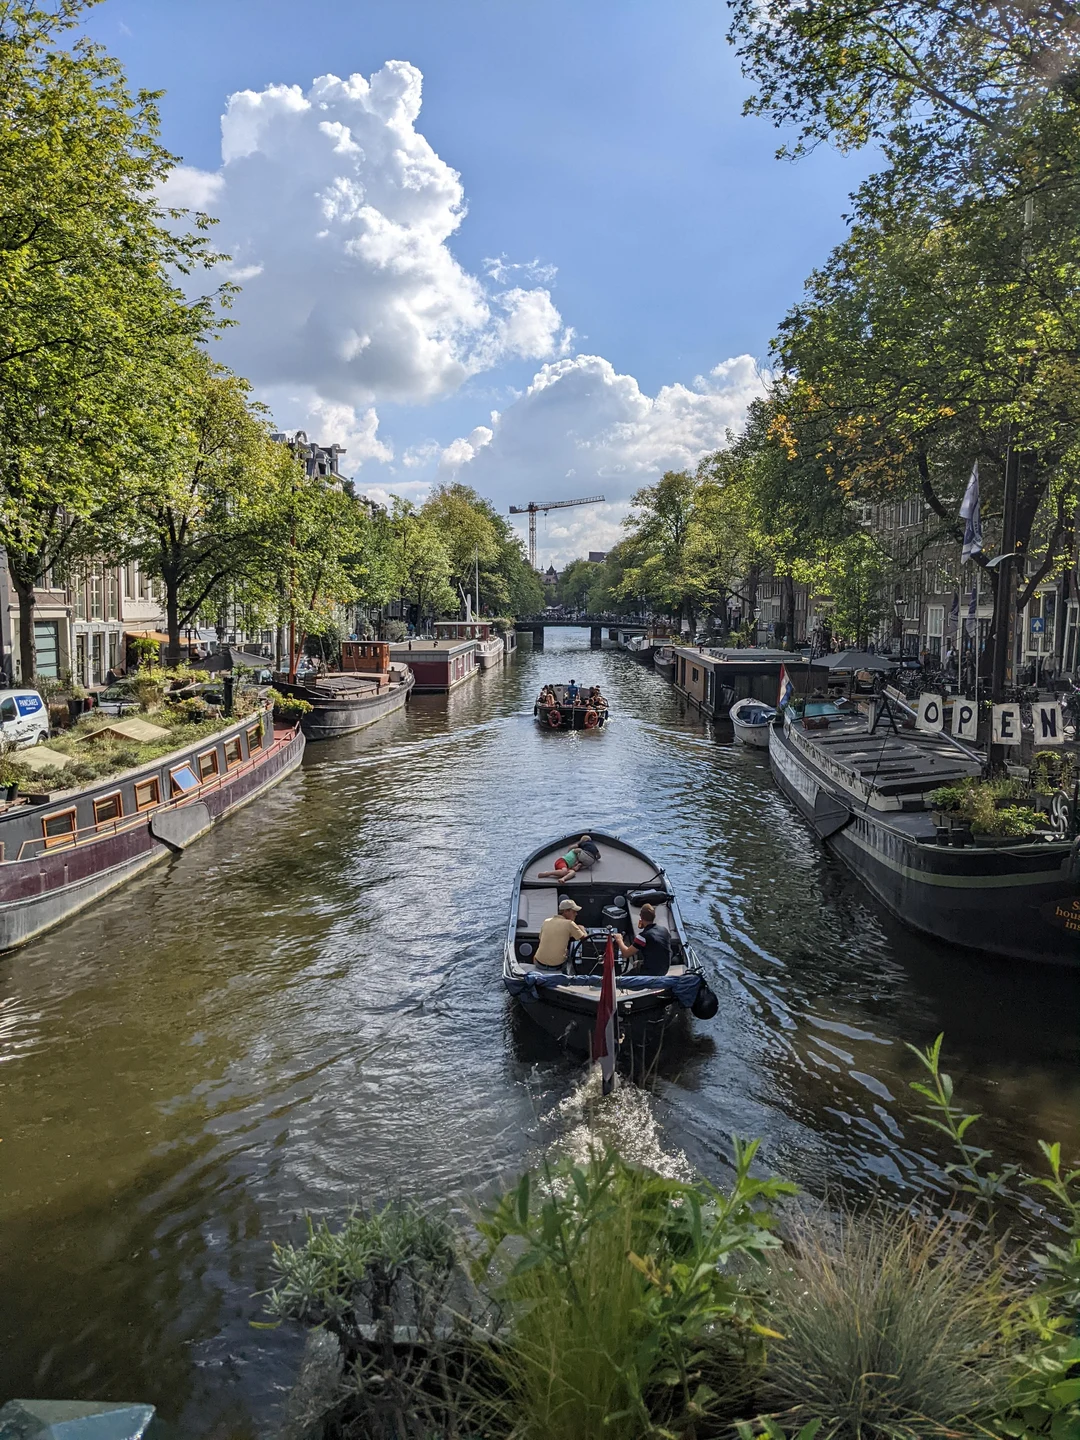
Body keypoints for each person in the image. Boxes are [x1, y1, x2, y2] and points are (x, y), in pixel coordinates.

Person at [614, 902, 672, 976]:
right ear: (654, 916)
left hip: (652, 972)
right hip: (664, 969)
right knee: (637, 963)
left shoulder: (643, 937)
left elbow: (626, 954)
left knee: (620, 980)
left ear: (641, 916)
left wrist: (619, 940)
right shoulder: (664, 930)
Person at [533, 897, 588, 970]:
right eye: (574, 911)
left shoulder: (546, 921)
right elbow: (585, 939)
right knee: (570, 956)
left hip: (538, 963)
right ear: (566, 911)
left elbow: (541, 938)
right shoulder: (570, 924)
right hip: (556, 966)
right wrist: (582, 928)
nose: (576, 914)